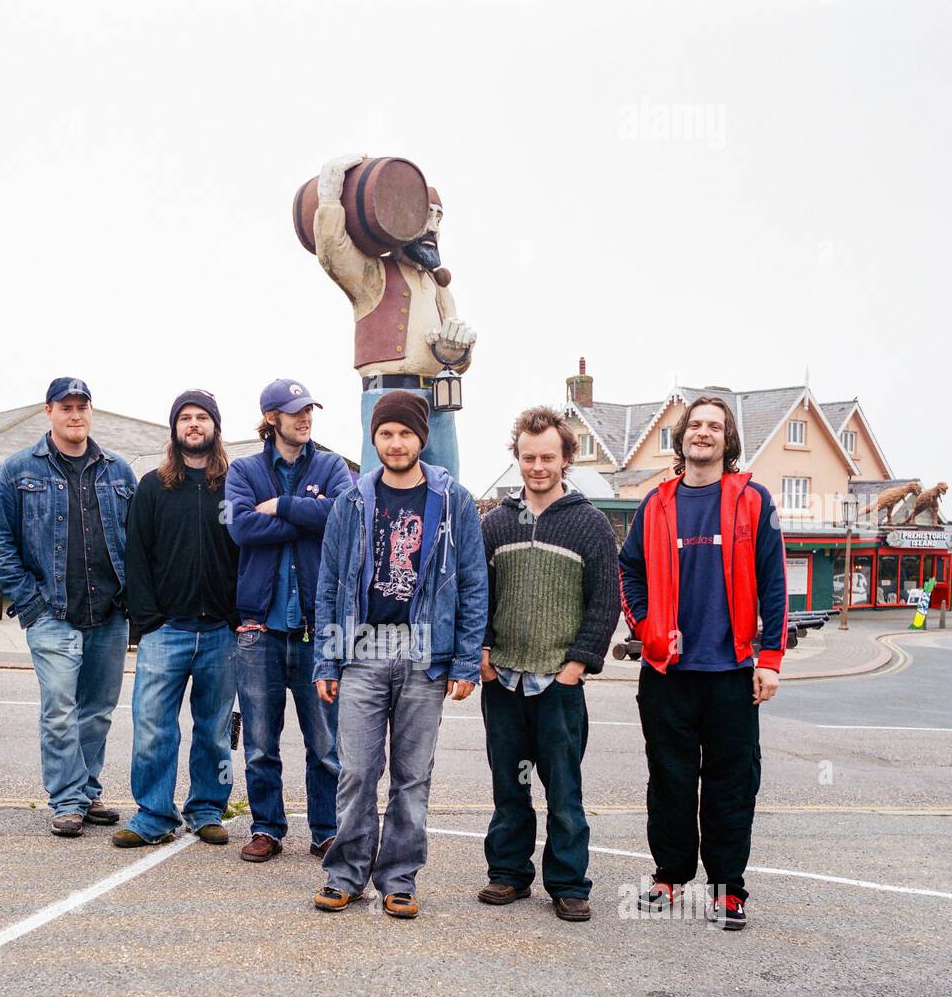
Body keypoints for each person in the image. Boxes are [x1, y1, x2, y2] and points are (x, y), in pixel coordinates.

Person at [311, 392, 487, 918]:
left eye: (405, 433)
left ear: (421, 438)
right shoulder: (352, 502)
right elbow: (329, 587)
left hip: (423, 653)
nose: (395, 442)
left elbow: (474, 583)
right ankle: (345, 874)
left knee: (413, 776)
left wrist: (464, 660)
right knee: (358, 771)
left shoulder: (454, 500)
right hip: (362, 649)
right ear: (374, 438)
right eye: (385, 433)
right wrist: (327, 658)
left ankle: (399, 878)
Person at [617, 393, 787, 930]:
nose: (704, 433)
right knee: (668, 778)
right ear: (682, 436)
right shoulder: (656, 503)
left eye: (715, 426)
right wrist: (646, 629)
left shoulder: (753, 500)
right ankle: (669, 875)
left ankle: (727, 888)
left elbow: (776, 584)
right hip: (667, 674)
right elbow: (630, 573)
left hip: (733, 672)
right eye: (695, 425)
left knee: (731, 782)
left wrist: (771, 659)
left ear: (727, 440)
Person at [478, 406, 620, 922]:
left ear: (565, 459)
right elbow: (479, 596)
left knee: (564, 792)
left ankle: (567, 883)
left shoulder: (590, 525)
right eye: (527, 456)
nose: (537, 466)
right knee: (509, 787)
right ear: (516, 457)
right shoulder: (494, 523)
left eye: (547, 457)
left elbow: (606, 603)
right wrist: (485, 653)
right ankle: (509, 875)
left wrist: (576, 668)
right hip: (504, 679)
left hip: (558, 684)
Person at [0, 378, 135, 838]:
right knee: (59, 709)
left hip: (110, 613)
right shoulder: (17, 470)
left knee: (98, 710)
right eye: (65, 407)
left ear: (91, 412)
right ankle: (66, 800)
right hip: (52, 613)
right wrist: (29, 601)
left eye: (82, 407)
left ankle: (87, 793)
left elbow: (139, 542)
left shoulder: (119, 471)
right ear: (47, 411)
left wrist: (132, 600)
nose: (75, 415)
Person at [226, 378, 354, 862]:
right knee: (260, 742)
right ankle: (267, 828)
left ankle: (326, 829)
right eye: (295, 411)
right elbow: (240, 528)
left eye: (309, 411)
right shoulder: (242, 470)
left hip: (319, 631)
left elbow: (343, 517)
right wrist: (308, 515)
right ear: (271, 418)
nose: (305, 418)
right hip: (259, 630)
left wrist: (281, 506)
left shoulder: (331, 465)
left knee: (325, 744)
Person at [112, 390, 239, 848]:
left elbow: (248, 554)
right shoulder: (153, 486)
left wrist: (237, 616)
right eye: (185, 418)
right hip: (167, 632)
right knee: (152, 728)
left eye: (201, 417)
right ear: (174, 429)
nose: (193, 424)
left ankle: (207, 808)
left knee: (215, 730)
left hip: (222, 633)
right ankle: (153, 814)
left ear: (215, 427)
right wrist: (149, 620)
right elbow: (136, 557)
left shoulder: (235, 485)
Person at [312, 153, 476, 479]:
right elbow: (332, 251)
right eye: (425, 215)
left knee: (446, 487)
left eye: (439, 219)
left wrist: (459, 352)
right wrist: (329, 197)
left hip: (440, 402)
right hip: (386, 395)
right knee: (382, 490)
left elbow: (458, 363)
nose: (433, 227)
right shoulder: (375, 275)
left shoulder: (439, 286)